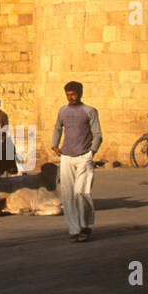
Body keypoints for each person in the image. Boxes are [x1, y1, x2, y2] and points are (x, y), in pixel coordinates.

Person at [50, 81, 102, 242]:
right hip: (66, 157)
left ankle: (85, 225)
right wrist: (54, 145)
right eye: (68, 94)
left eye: (73, 94)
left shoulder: (90, 111)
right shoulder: (63, 111)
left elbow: (97, 134)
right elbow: (58, 127)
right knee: (68, 195)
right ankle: (74, 229)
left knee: (82, 192)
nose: (70, 97)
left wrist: (92, 151)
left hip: (83, 156)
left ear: (80, 94)